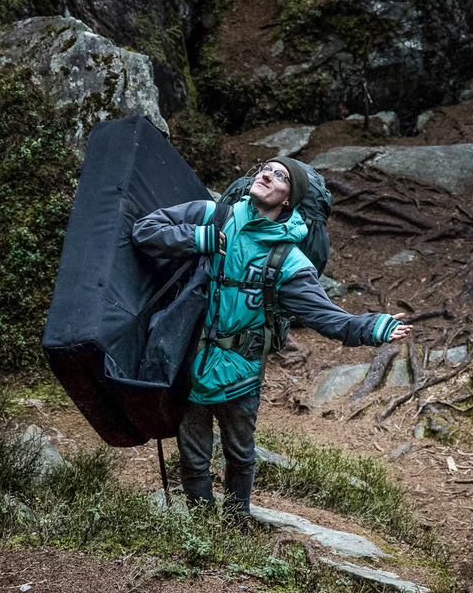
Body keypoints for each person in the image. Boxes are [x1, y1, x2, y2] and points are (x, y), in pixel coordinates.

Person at [132, 157, 411, 516]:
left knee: (240, 452)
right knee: (193, 452)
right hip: (191, 359)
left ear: (287, 200)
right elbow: (145, 229)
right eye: (265, 167)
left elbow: (327, 318)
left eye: (280, 175)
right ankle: (200, 527)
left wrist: (371, 327)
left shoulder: (290, 263)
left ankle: (237, 522)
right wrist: (194, 237)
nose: (266, 174)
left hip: (242, 370)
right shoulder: (213, 216)